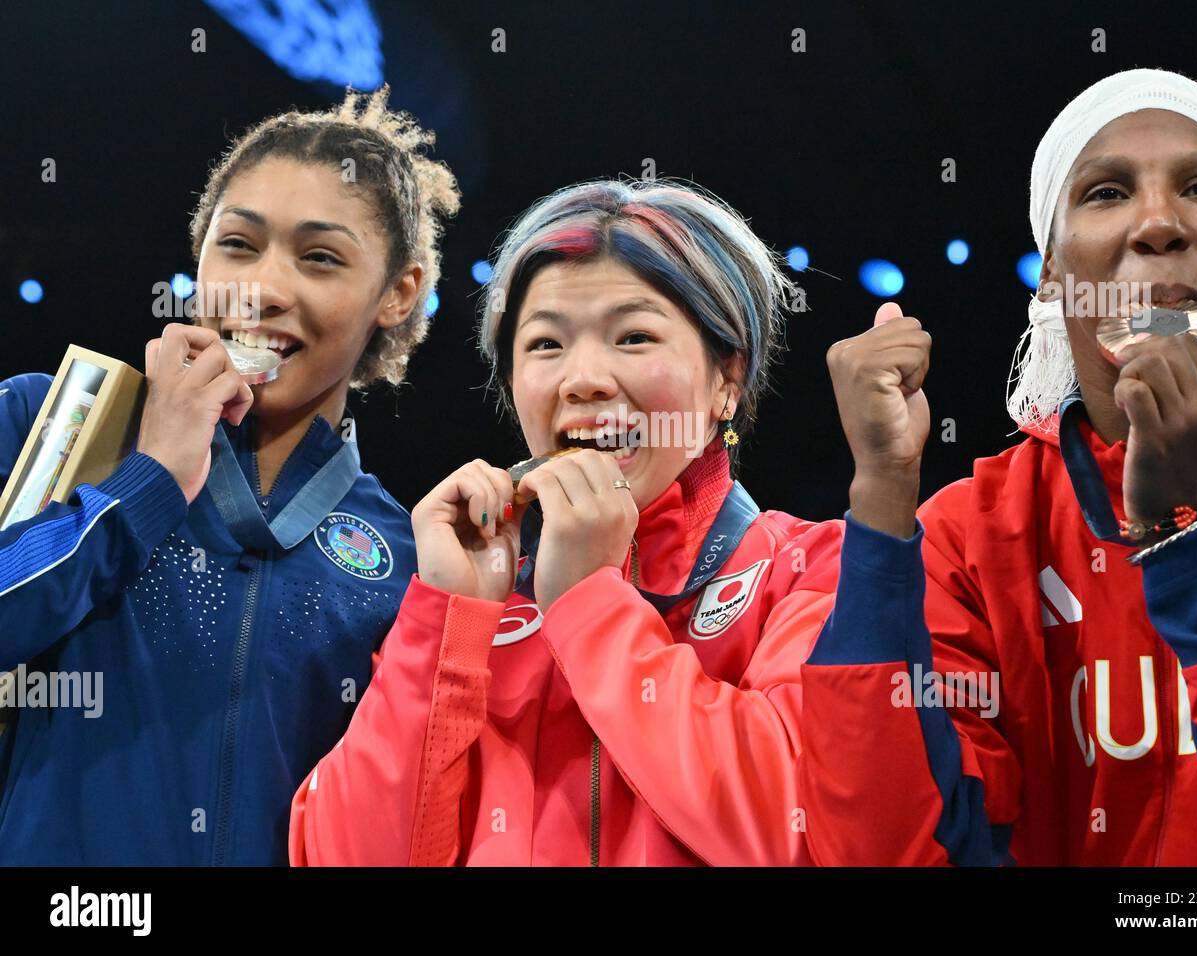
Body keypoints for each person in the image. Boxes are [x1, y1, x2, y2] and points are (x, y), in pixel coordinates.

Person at [800, 68, 1197, 865]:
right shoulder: (970, 539)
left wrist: (1184, 545)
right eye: (1106, 193)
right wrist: (883, 491)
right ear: (1055, 272)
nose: (1159, 224)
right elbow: (882, 849)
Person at [289, 178, 842, 866]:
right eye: (546, 345)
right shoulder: (470, 610)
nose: (583, 378)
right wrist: (444, 625)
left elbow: (802, 832)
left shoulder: (816, 573)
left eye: (634, 335)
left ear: (727, 379)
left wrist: (591, 606)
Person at [0, 87, 459, 864]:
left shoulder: (407, 555)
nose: (263, 289)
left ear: (399, 291)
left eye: (319, 258)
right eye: (238, 246)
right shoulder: (51, 425)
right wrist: (142, 487)